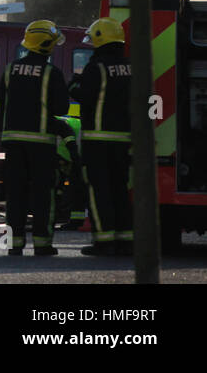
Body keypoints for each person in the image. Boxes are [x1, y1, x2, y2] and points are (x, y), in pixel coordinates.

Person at [0, 19, 69, 256]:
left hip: (13, 144)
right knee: (43, 195)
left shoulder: (10, 69)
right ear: (46, 45)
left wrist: (5, 136)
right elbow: (61, 109)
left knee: (15, 195)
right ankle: (42, 244)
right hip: (42, 145)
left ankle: (14, 245)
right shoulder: (51, 73)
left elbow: (0, 108)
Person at [77, 17, 133, 256]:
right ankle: (126, 240)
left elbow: (84, 97)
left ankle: (103, 241)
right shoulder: (130, 67)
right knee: (120, 190)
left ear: (101, 40)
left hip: (97, 141)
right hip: (124, 141)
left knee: (99, 191)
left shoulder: (96, 68)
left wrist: (73, 86)